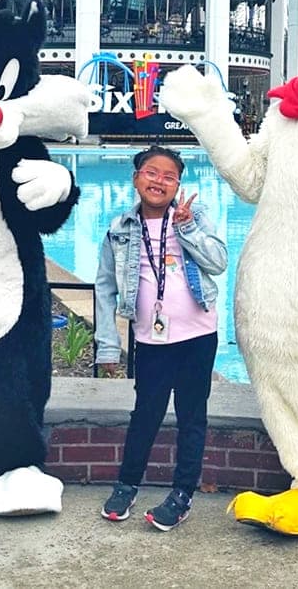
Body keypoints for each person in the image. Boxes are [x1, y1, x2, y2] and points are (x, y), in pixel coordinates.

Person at [95, 145, 227, 531]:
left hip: (198, 336)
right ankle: (127, 484)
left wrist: (187, 228)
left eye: (169, 177)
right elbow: (105, 287)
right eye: (151, 173)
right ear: (136, 179)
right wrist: (108, 344)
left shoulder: (194, 217)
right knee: (145, 415)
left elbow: (219, 262)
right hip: (151, 340)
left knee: (192, 416)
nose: (159, 181)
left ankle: (182, 493)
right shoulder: (119, 229)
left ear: (178, 185)